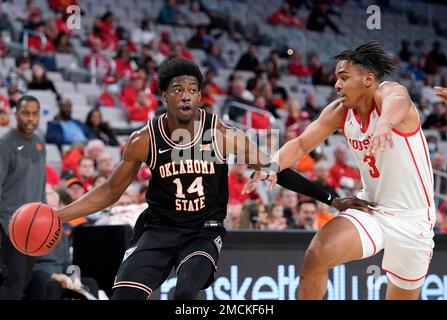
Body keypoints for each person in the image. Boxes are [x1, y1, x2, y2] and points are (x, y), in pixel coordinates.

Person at [55, 57, 371, 300]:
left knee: (185, 294)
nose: (187, 97)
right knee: (124, 296)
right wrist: (60, 216)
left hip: (201, 230)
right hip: (158, 229)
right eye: (178, 90)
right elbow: (111, 191)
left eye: (193, 90)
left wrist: (331, 198)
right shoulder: (144, 139)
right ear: (164, 94)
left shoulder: (221, 134)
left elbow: (275, 167)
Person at [245, 41, 436, 300]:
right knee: (317, 254)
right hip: (371, 209)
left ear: (368, 80)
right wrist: (272, 165)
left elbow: (398, 98)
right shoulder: (339, 112)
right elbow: (301, 143)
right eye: (337, 78)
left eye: (344, 78)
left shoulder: (387, 94)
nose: (337, 85)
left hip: (414, 220)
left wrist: (384, 125)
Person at [0, 95, 46, 299]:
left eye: (35, 114)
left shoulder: (39, 143)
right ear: (17, 114)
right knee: (14, 280)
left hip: (34, 227)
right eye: (26, 113)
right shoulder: (5, 144)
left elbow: (41, 184)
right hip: (10, 226)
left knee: (26, 279)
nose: (30, 119)